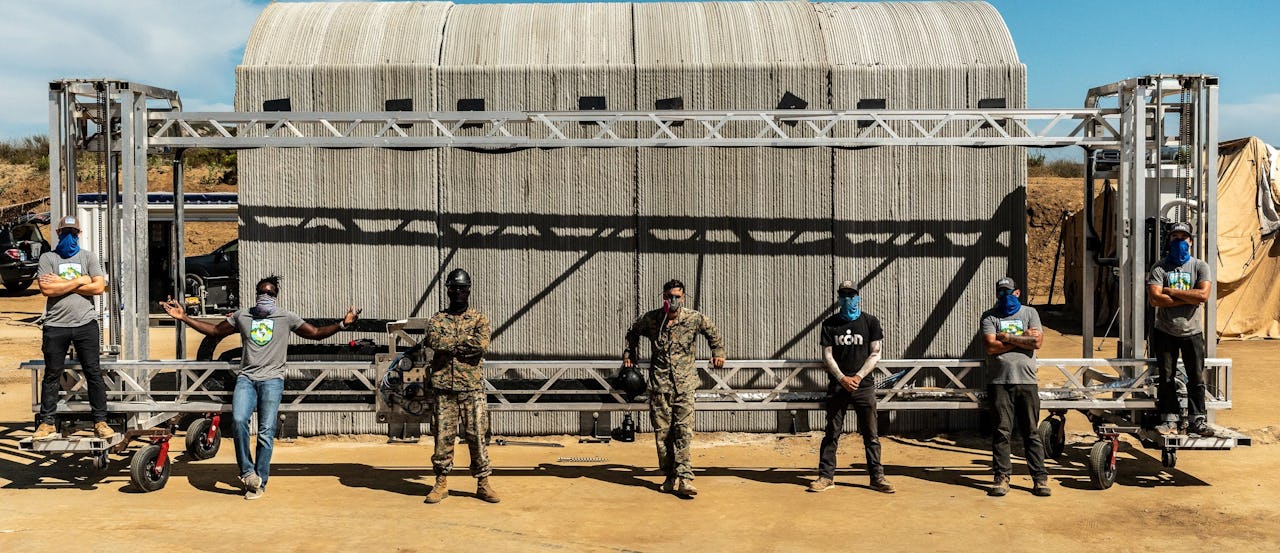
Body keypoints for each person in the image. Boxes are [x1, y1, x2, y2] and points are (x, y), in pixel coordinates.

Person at [161, 275, 360, 500]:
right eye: (262, 293)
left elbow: (314, 334)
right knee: (238, 421)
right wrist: (183, 317)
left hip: (272, 380)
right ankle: (247, 472)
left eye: (270, 294)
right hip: (246, 378)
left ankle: (259, 482)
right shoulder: (243, 316)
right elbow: (215, 332)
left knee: (266, 432)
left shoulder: (286, 317)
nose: (265, 297)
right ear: (257, 295)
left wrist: (343, 324)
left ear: (276, 296)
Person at [623, 279, 725, 498]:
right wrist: (630, 354)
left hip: (685, 385)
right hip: (660, 385)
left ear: (683, 297)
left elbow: (712, 332)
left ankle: (685, 477)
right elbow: (632, 331)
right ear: (663, 296)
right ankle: (669, 475)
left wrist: (718, 352)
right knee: (663, 434)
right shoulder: (652, 319)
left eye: (677, 296)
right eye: (669, 296)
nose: (673, 300)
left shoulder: (693, 318)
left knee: (683, 431)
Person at [809, 280, 894, 494]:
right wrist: (842, 378)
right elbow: (827, 355)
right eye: (843, 295)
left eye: (851, 295)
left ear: (858, 296)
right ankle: (826, 476)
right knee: (831, 433)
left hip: (863, 387)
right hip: (838, 387)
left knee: (871, 435)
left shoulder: (870, 322)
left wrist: (857, 376)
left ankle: (877, 477)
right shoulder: (830, 324)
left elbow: (875, 353)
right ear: (838, 298)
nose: (848, 299)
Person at [422, 268, 499, 504]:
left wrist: (450, 344)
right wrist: (462, 343)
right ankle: (441, 482)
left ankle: (483, 483)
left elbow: (480, 345)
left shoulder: (479, 319)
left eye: (462, 288)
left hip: (471, 389)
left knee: (477, 436)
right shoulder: (437, 319)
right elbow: (433, 340)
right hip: (444, 389)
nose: (458, 292)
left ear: (469, 290)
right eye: (454, 288)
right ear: (448, 290)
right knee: (443, 437)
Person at [33, 215, 111, 440]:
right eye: (65, 232)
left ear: (79, 234)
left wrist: (62, 283)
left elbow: (98, 287)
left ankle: (100, 421)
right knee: (52, 374)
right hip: (55, 325)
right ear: (58, 234)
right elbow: (47, 290)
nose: (70, 236)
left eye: (73, 233)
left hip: (86, 324)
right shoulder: (48, 258)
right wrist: (79, 281)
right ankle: (46, 422)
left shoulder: (88, 256)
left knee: (93, 372)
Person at [980, 277, 1050, 497]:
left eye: (1008, 292)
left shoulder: (1030, 314)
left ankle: (1040, 479)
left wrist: (1008, 337)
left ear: (1017, 293)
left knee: (1031, 432)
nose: (1004, 296)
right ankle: (1001, 477)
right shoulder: (989, 316)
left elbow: (1037, 343)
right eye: (1000, 292)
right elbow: (991, 347)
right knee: (1002, 432)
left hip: (1027, 381)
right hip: (999, 383)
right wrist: (1022, 338)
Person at [1146, 222, 1214, 437]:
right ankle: (1169, 419)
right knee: (1166, 376)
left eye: (1183, 237)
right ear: (1169, 240)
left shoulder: (1200, 266)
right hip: (1165, 331)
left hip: (1192, 332)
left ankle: (1197, 419)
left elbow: (1203, 296)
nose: (1179, 241)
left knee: (1196, 377)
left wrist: (1171, 291)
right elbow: (1155, 299)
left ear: (1191, 241)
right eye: (1175, 237)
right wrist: (1187, 298)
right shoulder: (1159, 267)